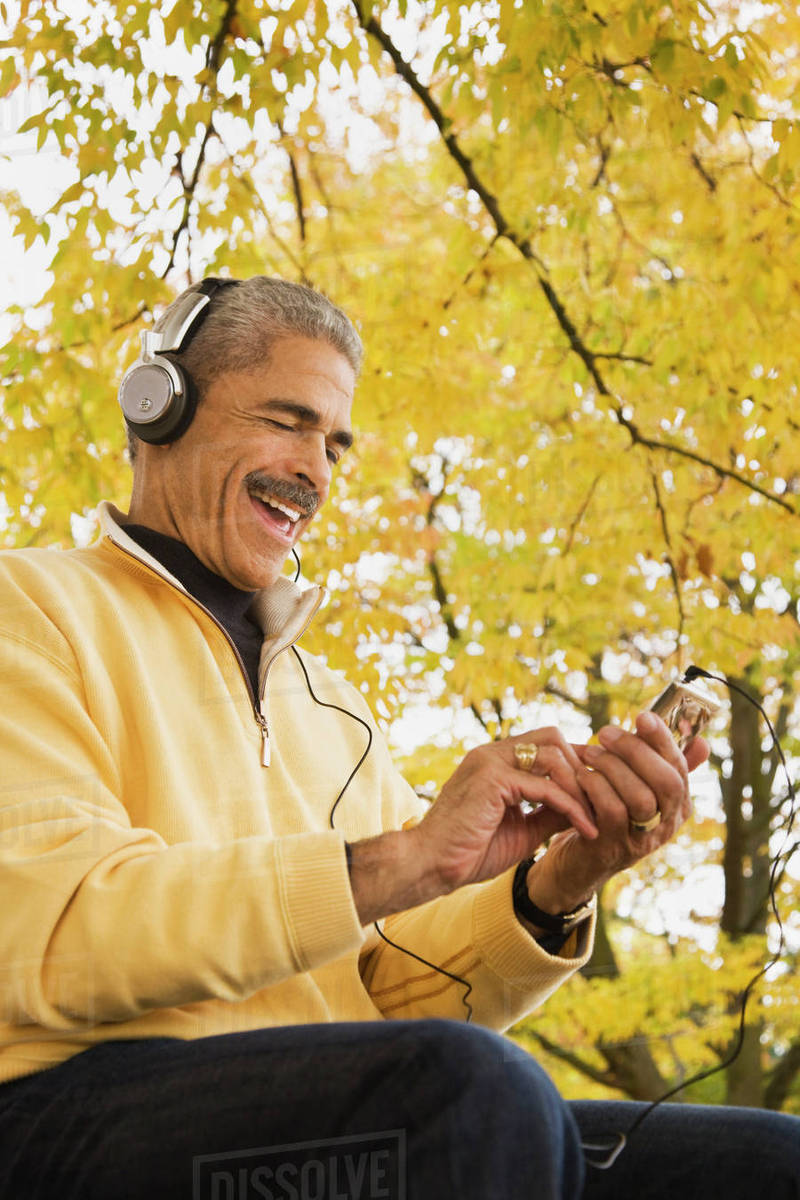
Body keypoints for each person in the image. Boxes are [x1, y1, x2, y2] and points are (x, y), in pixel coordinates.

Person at [0, 275, 796, 1200]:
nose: (316, 470)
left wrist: (557, 883)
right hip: (61, 1116)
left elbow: (398, 993)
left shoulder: (329, 706)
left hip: (317, 1111)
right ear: (160, 410)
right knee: (473, 1093)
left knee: (767, 1166)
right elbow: (50, 936)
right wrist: (402, 858)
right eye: (288, 421)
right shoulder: (30, 609)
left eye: (334, 443)